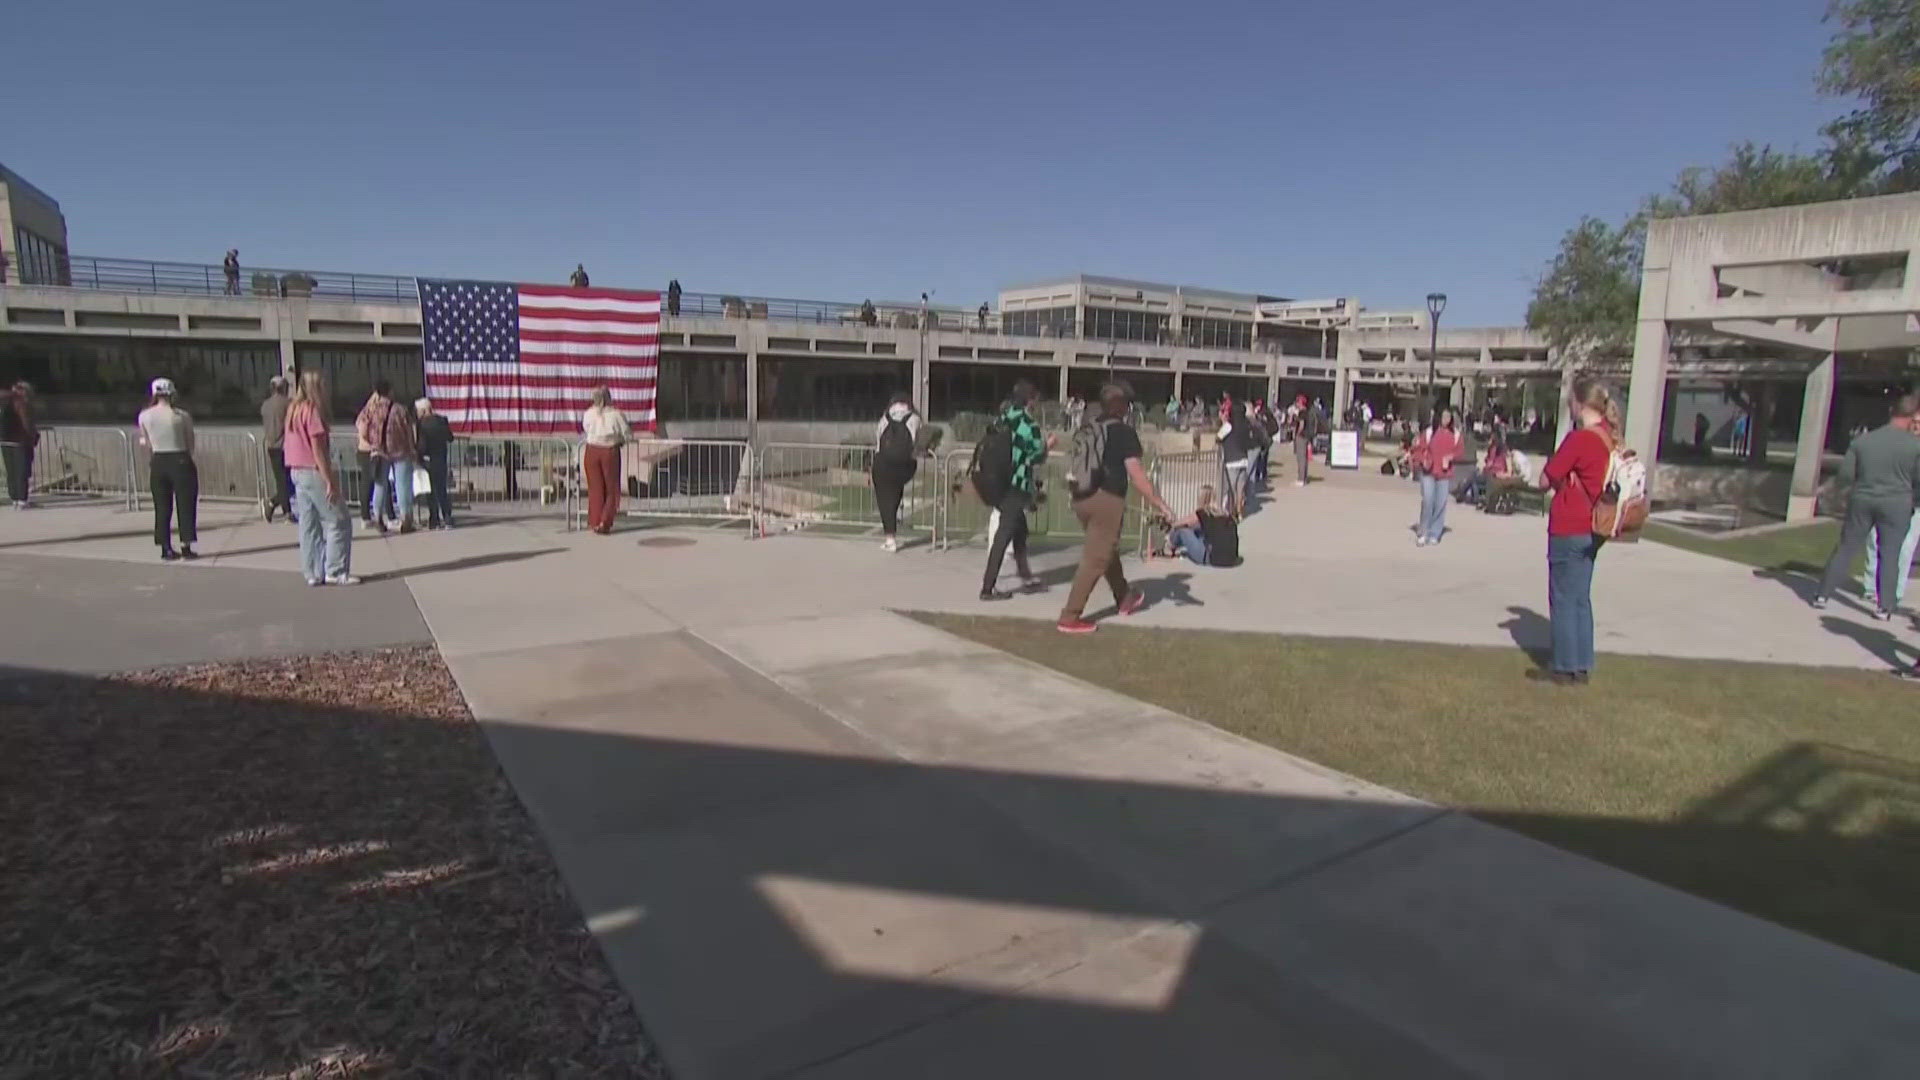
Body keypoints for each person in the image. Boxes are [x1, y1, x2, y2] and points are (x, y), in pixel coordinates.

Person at [1058, 383, 1175, 633]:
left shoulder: (1089, 428)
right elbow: (1137, 476)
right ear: (1118, 406)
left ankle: (1124, 597)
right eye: (1126, 403)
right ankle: (1070, 617)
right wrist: (1161, 505)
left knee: (1106, 549)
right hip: (1107, 501)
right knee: (1095, 559)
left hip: (1082, 497)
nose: (1128, 408)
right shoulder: (1123, 433)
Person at [1537, 377, 1621, 685]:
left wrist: (1562, 475)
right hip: (1595, 526)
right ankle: (1582, 663)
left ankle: (1563, 666)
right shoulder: (1610, 438)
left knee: (1562, 597)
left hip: (1570, 524)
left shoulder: (1580, 438)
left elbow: (1545, 479)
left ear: (1580, 404)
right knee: (1580, 598)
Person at [1813, 394, 1920, 618]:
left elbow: (1845, 476)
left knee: (1846, 547)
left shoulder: (1863, 441)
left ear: (1892, 412)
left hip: (1863, 498)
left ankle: (1822, 595)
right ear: (1911, 418)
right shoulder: (1915, 446)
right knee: (1890, 553)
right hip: (1896, 503)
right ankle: (1885, 606)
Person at [980, 380, 1052, 601]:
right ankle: (988, 588)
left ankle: (1026, 576)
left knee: (1019, 531)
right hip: (1016, 484)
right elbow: (1037, 455)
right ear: (1031, 399)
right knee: (1004, 535)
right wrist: (1049, 444)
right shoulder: (1028, 424)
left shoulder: (1003, 417)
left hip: (998, 481)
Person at [285, 370, 356, 585]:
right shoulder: (312, 411)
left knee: (309, 522)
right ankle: (335, 569)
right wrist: (329, 481)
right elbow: (318, 450)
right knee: (339, 519)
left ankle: (313, 571)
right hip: (312, 469)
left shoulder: (293, 410)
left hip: (296, 469)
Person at [137, 378, 199, 561]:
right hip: (179, 458)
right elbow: (190, 442)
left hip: (158, 460)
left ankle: (165, 547)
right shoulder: (181, 416)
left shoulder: (144, 416)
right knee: (186, 504)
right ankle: (186, 545)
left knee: (162, 507)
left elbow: (145, 442)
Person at [356, 379, 417, 535]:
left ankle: (377, 517)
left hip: (380, 452)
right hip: (400, 451)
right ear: (390, 391)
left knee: (380, 485)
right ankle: (406, 519)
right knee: (403, 485)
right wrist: (412, 449)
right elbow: (408, 431)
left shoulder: (370, 409)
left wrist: (372, 442)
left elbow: (362, 428)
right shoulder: (399, 409)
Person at [872, 393, 922, 552]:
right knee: (895, 494)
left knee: (884, 500)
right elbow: (919, 441)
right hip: (905, 465)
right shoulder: (914, 419)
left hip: (883, 464)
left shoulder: (884, 419)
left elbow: (879, 443)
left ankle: (890, 538)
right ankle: (893, 523)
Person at [581, 387, 631, 535]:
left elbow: (586, 429)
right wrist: (622, 440)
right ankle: (605, 521)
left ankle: (595, 521)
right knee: (611, 488)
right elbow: (627, 433)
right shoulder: (616, 415)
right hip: (609, 451)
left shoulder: (588, 414)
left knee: (595, 489)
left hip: (591, 451)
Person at [1411, 408, 1463, 546]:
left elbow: (1459, 451)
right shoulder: (1429, 432)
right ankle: (1423, 531)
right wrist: (1423, 460)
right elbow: (1417, 450)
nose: (1446, 419)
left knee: (1440, 503)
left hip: (1445, 473)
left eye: (1449, 417)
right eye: (1444, 416)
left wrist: (1451, 457)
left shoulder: (1456, 434)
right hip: (1428, 472)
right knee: (1428, 500)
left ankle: (1435, 532)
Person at [1165, 484, 1234, 566]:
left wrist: (1170, 524)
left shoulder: (1202, 513)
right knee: (1198, 531)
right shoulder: (1224, 513)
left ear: (1201, 498)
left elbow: (1180, 524)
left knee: (1181, 530)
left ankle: (1169, 547)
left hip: (1210, 558)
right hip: (1231, 558)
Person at [415, 397, 455, 530]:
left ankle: (435, 520)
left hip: (428, 459)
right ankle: (448, 518)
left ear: (423, 410)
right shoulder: (442, 420)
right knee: (442, 490)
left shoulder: (421, 424)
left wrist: (418, 456)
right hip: (441, 459)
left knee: (431, 492)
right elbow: (450, 438)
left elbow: (421, 444)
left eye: (419, 411)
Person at [260, 376, 294, 523]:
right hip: (285, 446)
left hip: (271, 446)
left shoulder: (265, 405)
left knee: (282, 480)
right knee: (289, 481)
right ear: (283, 388)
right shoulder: (288, 404)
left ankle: (279, 506)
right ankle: (277, 505)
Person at [2, 380, 40, 508]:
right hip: (20, 440)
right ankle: (23, 500)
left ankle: (15, 499)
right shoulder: (22, 403)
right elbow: (26, 422)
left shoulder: (5, 401)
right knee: (21, 471)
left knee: (11, 471)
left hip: (4, 440)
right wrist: (33, 436)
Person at [1217, 401, 1253, 518]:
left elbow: (1218, 438)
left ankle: (1231, 513)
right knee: (1240, 489)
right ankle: (1239, 512)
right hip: (1243, 459)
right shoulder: (1246, 425)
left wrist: (1222, 421)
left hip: (1232, 461)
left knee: (1230, 489)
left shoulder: (1229, 425)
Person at [1292, 393, 1320, 486]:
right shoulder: (1308, 412)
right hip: (1306, 436)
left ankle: (1301, 478)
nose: (1296, 404)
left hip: (1301, 436)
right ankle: (1304, 477)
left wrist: (1298, 433)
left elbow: (1302, 424)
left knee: (1301, 458)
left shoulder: (1302, 413)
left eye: (1297, 402)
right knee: (1304, 457)